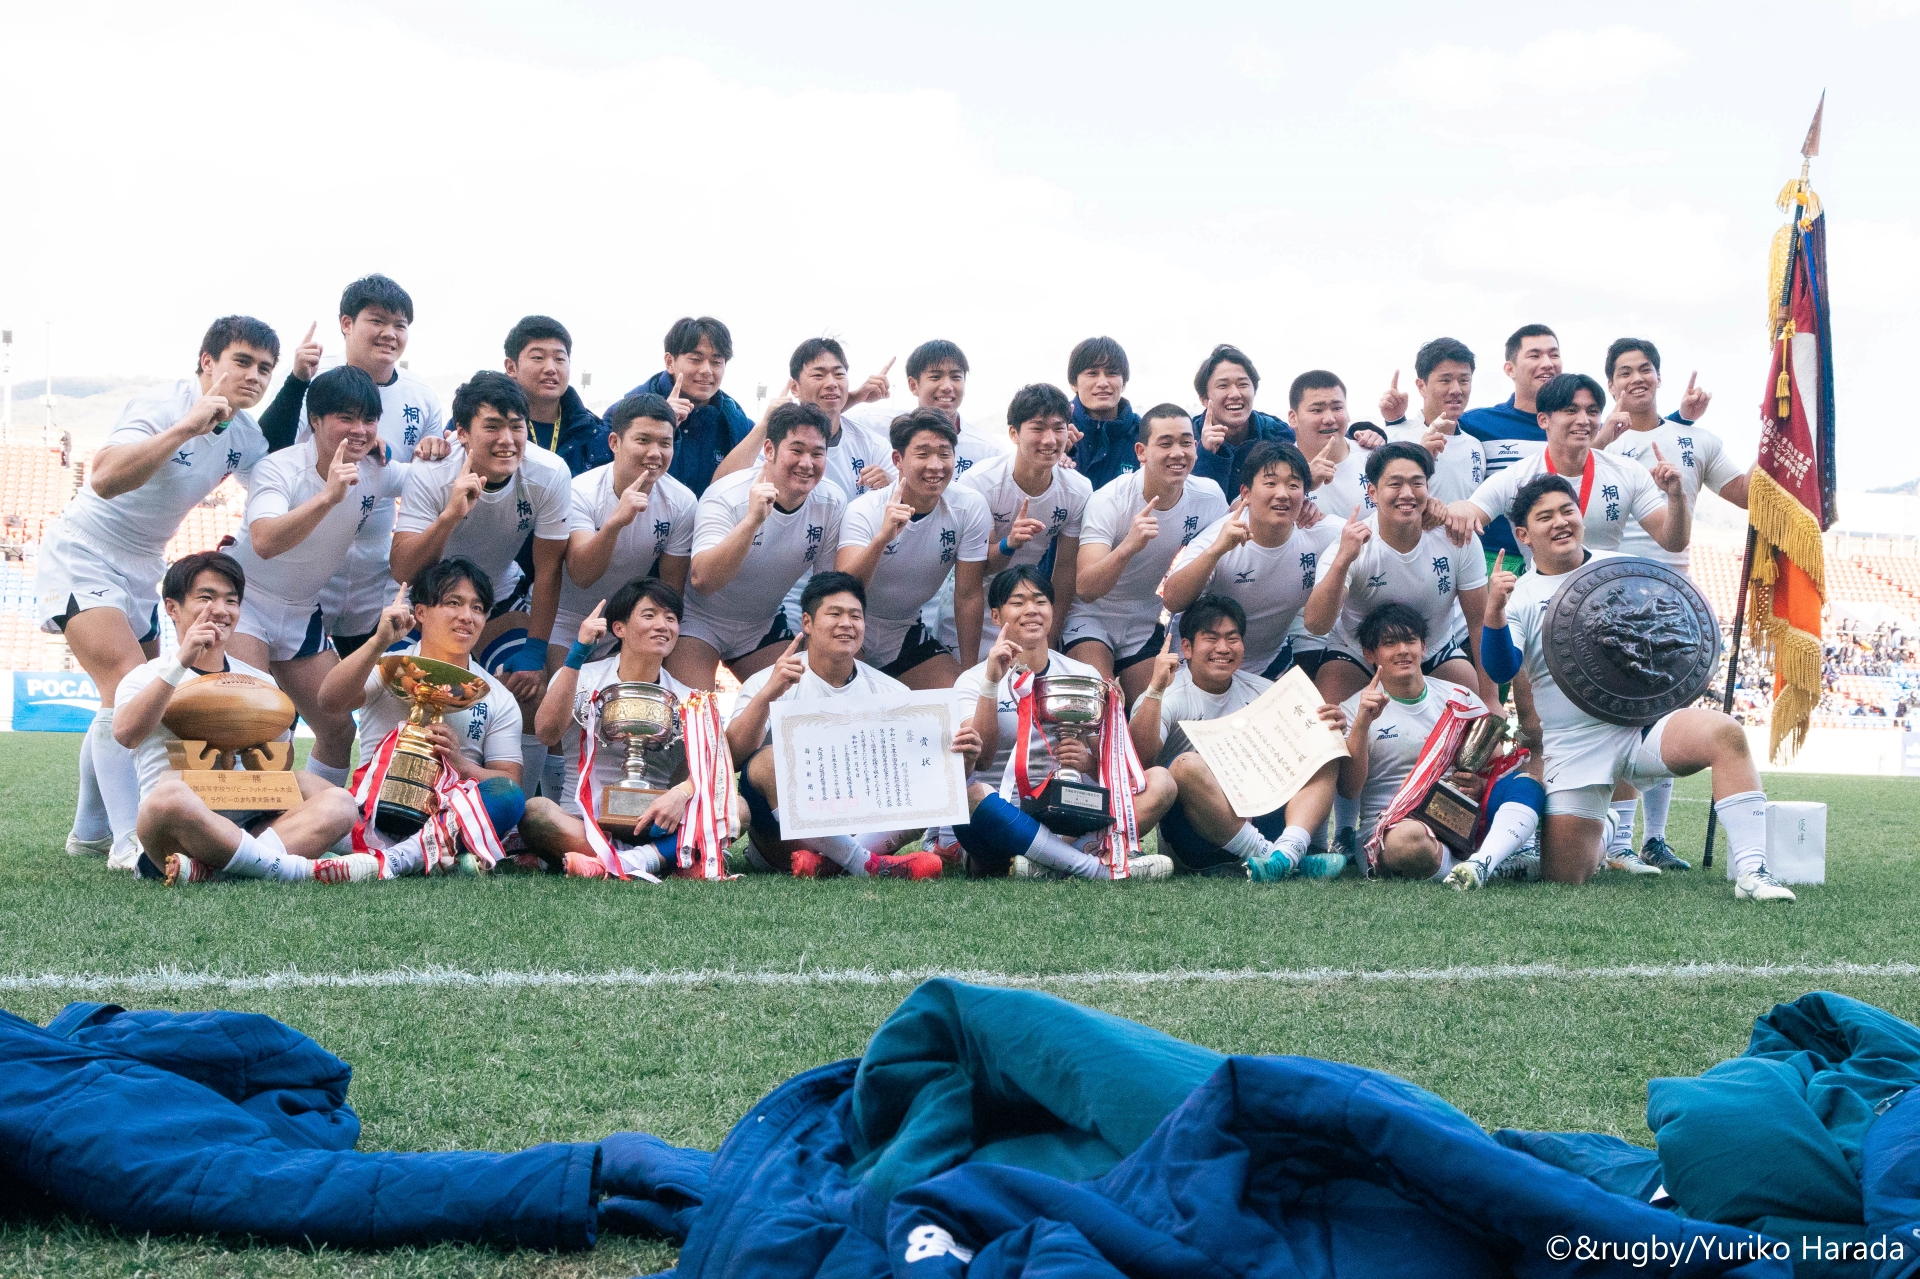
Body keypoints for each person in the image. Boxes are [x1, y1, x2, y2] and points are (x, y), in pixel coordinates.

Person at [38, 315, 282, 870]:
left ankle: (87, 831)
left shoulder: (246, 437)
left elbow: (277, 479)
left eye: (265, 369)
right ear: (207, 362)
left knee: (145, 702)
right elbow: (103, 478)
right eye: (242, 362)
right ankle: (128, 841)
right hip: (84, 548)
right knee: (127, 686)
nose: (254, 376)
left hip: (144, 568)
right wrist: (187, 428)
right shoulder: (164, 404)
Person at [1478, 475, 1794, 900]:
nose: (1560, 522)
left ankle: (1754, 872)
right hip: (1573, 746)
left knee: (1725, 733)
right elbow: (1502, 667)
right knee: (1564, 876)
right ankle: (1608, 828)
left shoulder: (1623, 569)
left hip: (1641, 728)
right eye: (1545, 517)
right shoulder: (1518, 597)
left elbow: (1674, 625)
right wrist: (1494, 614)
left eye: (1567, 511)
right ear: (1523, 535)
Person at [116, 553, 367, 886]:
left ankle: (221, 869)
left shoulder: (257, 680)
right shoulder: (145, 676)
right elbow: (126, 733)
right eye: (206, 597)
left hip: (254, 817)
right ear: (172, 608)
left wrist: (257, 741)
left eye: (231, 601)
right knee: (169, 798)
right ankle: (290, 867)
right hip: (182, 826)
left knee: (338, 801)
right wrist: (181, 663)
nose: (221, 610)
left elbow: (281, 763)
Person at [1598, 338, 1744, 872]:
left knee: (1663, 714)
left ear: (1658, 377)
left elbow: (1747, 493)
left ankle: (1652, 839)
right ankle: (1614, 842)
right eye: (1624, 372)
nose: (1636, 378)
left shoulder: (1696, 439)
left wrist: (1783, 451)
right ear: (1611, 384)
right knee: (1617, 717)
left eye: (1645, 370)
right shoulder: (1597, 442)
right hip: (1608, 596)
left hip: (1674, 599)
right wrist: (1601, 434)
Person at [390, 371, 572, 790]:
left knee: (530, 687)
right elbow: (402, 570)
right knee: (401, 691)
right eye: (492, 426)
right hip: (430, 601)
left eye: (517, 426)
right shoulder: (432, 472)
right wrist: (451, 515)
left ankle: (523, 821)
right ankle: (393, 799)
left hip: (500, 598)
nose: (507, 439)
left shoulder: (549, 472)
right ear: (462, 434)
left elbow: (548, 571)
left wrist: (535, 651)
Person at [257, 274, 452, 659]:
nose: (389, 334)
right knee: (297, 690)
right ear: (346, 324)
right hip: (307, 558)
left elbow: (425, 479)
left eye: (400, 325)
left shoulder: (422, 396)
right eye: (376, 321)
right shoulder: (315, 378)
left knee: (372, 687)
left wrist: (435, 448)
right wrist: (300, 384)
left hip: (375, 568)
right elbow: (270, 452)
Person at [227, 365, 402, 791]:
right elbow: (265, 540)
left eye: (369, 419)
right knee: (262, 725)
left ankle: (316, 829)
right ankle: (244, 833)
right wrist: (328, 497)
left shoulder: (376, 469)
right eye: (346, 418)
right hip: (246, 604)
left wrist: (439, 447)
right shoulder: (278, 468)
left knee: (339, 728)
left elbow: (432, 480)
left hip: (303, 611)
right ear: (316, 421)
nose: (359, 430)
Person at [725, 572, 957, 879]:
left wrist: (955, 749)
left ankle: (836, 862)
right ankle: (862, 863)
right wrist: (769, 694)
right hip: (783, 842)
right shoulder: (769, 680)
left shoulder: (892, 692)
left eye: (855, 616)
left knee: (927, 777)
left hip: (859, 822)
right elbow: (733, 757)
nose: (846, 623)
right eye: (834, 614)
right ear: (807, 623)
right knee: (767, 762)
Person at [949, 567, 1175, 880]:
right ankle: (1093, 869)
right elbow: (982, 757)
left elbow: (1114, 768)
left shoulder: (1083, 675)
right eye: (1018, 602)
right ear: (996, 616)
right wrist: (991, 682)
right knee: (975, 796)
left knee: (1162, 782)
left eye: (1040, 601)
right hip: (1002, 814)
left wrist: (1089, 762)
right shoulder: (972, 681)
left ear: (1053, 612)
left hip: (1070, 816)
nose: (1031, 610)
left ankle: (1051, 861)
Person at [317, 557, 528, 876]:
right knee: (299, 786)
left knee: (508, 798)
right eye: (453, 603)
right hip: (372, 810)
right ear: (421, 612)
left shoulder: (495, 695)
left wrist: (461, 763)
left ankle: (393, 860)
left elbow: (509, 782)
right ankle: (435, 858)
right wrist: (378, 641)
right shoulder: (390, 666)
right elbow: (329, 701)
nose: (466, 616)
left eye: (478, 608)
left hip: (449, 814)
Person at [1128, 594, 1346, 880]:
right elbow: (1140, 762)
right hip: (1196, 835)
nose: (1223, 648)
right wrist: (1155, 690)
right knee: (1186, 765)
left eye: (1232, 638)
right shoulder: (1164, 696)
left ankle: (1288, 851)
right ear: (1187, 647)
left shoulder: (1264, 690)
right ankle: (1272, 857)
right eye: (1211, 638)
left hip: (1264, 813)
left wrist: (1332, 726)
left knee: (1325, 743)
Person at [1334, 602, 1546, 888]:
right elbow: (1349, 788)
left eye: (1410, 640)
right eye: (1389, 643)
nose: (1402, 650)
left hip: (1460, 820)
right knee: (1411, 842)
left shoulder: (1460, 697)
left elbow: (1495, 766)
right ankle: (1490, 864)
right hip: (1392, 826)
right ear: (1370, 654)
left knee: (1527, 783)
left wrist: (1480, 785)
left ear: (1424, 646)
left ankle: (1480, 864)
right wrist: (1362, 723)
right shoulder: (1352, 710)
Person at [521, 577, 717, 879]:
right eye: (649, 615)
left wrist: (681, 793)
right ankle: (660, 860)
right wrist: (577, 652)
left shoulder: (688, 699)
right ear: (619, 628)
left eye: (671, 618)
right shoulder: (581, 676)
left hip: (655, 825)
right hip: (582, 820)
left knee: (735, 808)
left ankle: (613, 864)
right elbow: (546, 732)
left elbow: (715, 769)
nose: (662, 625)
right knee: (537, 812)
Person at [1303, 441, 1494, 708]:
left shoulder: (1456, 538)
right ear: (1373, 492)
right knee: (1328, 723)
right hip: (1359, 652)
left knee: (1473, 715)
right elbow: (1316, 624)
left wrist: (1491, 698)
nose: (1407, 493)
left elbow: (1479, 622)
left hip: (1433, 648)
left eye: (1417, 483)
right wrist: (1343, 561)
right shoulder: (1350, 545)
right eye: (1395, 484)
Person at [669, 401, 844, 689]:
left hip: (762, 624)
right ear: (770, 450)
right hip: (699, 621)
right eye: (797, 450)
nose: (807, 463)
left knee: (799, 709)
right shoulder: (726, 495)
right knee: (697, 717)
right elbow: (703, 581)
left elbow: (825, 584)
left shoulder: (831, 501)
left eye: (817, 453)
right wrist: (751, 521)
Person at [1065, 404, 1229, 702]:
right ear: (1141, 451)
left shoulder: (1209, 496)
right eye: (1165, 444)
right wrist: (1127, 547)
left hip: (1147, 620)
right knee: (1101, 701)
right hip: (1093, 616)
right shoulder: (1109, 501)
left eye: (1185, 442)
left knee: (1157, 706)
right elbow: (1086, 588)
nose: (1177, 452)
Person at [1448, 373, 1689, 565]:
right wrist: (1458, 508)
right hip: (1542, 603)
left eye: (1592, 411)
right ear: (1543, 420)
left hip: (1608, 602)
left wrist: (1676, 497)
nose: (1584, 420)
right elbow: (1470, 513)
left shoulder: (1627, 472)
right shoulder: (1517, 477)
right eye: (1571, 410)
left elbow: (1673, 542)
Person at [834, 409, 991, 686]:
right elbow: (843, 590)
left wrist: (968, 673)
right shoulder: (864, 509)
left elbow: (967, 594)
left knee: (960, 701)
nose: (936, 465)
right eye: (923, 454)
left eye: (944, 454)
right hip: (850, 626)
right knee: (852, 710)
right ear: (898, 459)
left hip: (903, 629)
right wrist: (882, 539)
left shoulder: (968, 505)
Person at [1162, 441, 1337, 681]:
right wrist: (1216, 551)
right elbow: (1172, 600)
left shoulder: (1320, 531)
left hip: (1269, 662)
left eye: (1293, 485)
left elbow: (1376, 534)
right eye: (1270, 483)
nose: (1283, 494)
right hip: (1198, 664)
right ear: (1246, 493)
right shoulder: (1220, 537)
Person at [957, 383, 1092, 652]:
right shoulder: (980, 482)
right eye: (1038, 428)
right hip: (976, 599)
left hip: (1028, 608)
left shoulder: (1078, 489)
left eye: (1058, 427)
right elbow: (974, 572)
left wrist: (1050, 640)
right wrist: (1010, 543)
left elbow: (1065, 571)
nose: (1050, 439)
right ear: (1013, 433)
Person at [555, 392, 696, 649]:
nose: (655, 453)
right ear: (614, 442)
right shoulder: (580, 491)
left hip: (628, 624)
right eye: (643, 440)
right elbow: (582, 576)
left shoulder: (682, 501)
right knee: (560, 687)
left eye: (665, 443)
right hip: (566, 618)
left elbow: (671, 591)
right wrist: (615, 523)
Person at [716, 337, 895, 501]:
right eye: (819, 375)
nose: (832, 383)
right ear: (794, 387)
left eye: (839, 374)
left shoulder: (872, 444)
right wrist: (765, 425)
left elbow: (911, 495)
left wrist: (891, 483)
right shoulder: (773, 446)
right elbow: (720, 491)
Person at [617, 316, 755, 497]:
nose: (707, 370)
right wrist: (661, 423)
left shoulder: (736, 422)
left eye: (716, 362)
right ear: (669, 362)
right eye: (696, 359)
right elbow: (607, 479)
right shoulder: (626, 412)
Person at [1456, 325, 1560, 567]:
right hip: (1495, 559)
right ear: (1509, 369)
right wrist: (1374, 430)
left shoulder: (1575, 426)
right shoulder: (1477, 423)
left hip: (1561, 559)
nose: (1547, 363)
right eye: (1535, 355)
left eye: (1554, 354)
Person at [842, 338, 1007, 477]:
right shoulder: (876, 425)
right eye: (936, 377)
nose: (947, 386)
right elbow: (822, 423)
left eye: (956, 377)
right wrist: (856, 397)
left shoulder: (989, 451)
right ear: (913, 385)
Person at [1375, 338, 1487, 505]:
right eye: (1445, 380)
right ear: (1421, 386)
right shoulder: (1394, 438)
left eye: (1464, 380)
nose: (1456, 390)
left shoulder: (1476, 446)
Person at [503, 315, 608, 475]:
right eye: (538, 357)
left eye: (559, 359)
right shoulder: (479, 424)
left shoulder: (592, 433)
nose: (550, 368)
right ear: (511, 367)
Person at [1189, 344, 1295, 491]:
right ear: (1204, 399)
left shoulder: (1278, 434)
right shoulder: (1187, 439)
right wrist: (1206, 454)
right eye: (1223, 385)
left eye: (1243, 384)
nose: (1235, 394)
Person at [1284, 369, 1371, 521]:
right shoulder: (1278, 466)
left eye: (1337, 408)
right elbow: (1239, 507)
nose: (1329, 419)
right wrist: (1302, 484)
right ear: (1293, 418)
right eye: (1317, 410)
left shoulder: (1373, 457)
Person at [1065, 336, 1142, 489]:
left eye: (1112, 373)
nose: (1102, 383)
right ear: (1074, 383)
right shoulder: (1055, 430)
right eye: (1092, 373)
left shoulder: (1143, 433)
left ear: (1124, 383)